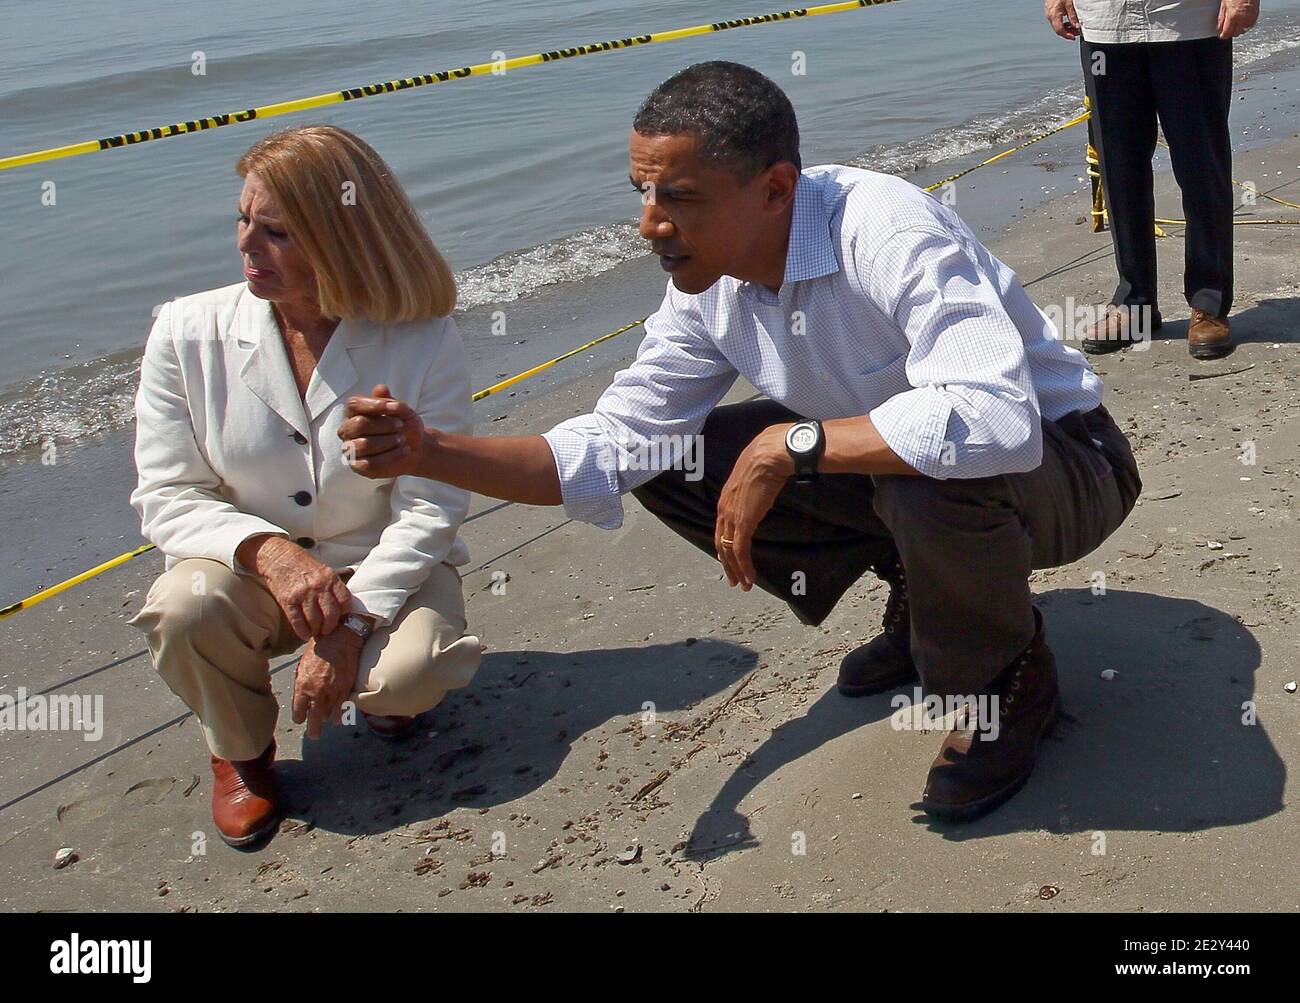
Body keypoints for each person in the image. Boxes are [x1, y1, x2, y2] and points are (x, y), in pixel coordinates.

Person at [339, 62, 1143, 823]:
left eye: (678, 196)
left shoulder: (884, 227)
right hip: (920, 473)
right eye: (642, 191)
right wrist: (428, 450)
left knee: (917, 470)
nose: (648, 223)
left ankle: (1004, 680)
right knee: (672, 461)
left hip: (1068, 461)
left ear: (776, 188)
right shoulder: (703, 284)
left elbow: (995, 418)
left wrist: (788, 446)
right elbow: (615, 445)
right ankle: (924, 589)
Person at [129, 125, 483, 847]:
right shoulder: (183, 331)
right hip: (249, 577)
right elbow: (165, 494)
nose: (246, 246)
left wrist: (351, 625)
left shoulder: (421, 335)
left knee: (409, 674)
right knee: (182, 605)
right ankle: (242, 754)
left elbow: (433, 503)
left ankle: (379, 692)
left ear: (341, 236)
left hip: (381, 566)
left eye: (278, 232)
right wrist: (268, 553)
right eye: (243, 220)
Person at [1046, 0, 1260, 358]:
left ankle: (1209, 301)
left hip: (1190, 21)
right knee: (1118, 168)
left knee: (1201, 165)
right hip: (1105, 24)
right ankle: (1135, 304)